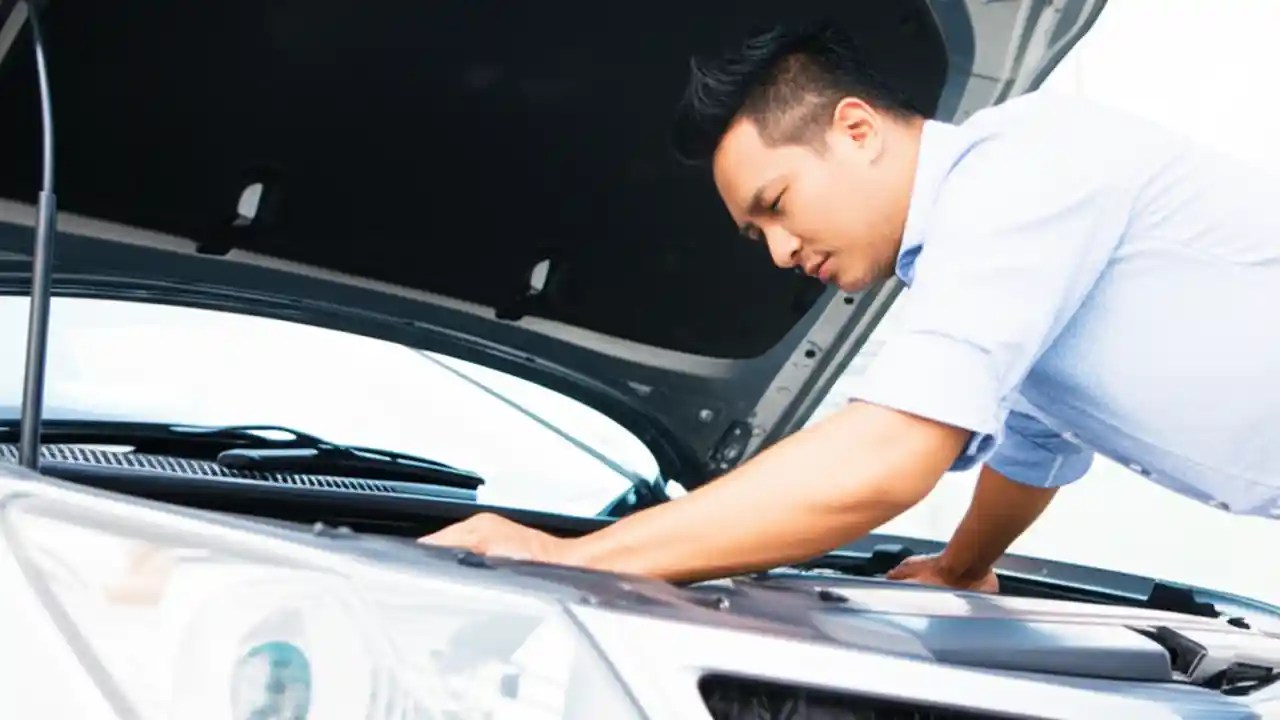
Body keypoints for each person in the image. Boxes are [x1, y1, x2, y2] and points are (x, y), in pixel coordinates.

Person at [419, 21, 1280, 589]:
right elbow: (1036, 442)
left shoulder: (1023, 166)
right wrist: (958, 567)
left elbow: (886, 457)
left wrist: (580, 560)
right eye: (759, 237)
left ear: (856, 131)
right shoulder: (993, 251)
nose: (783, 252)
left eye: (777, 203)